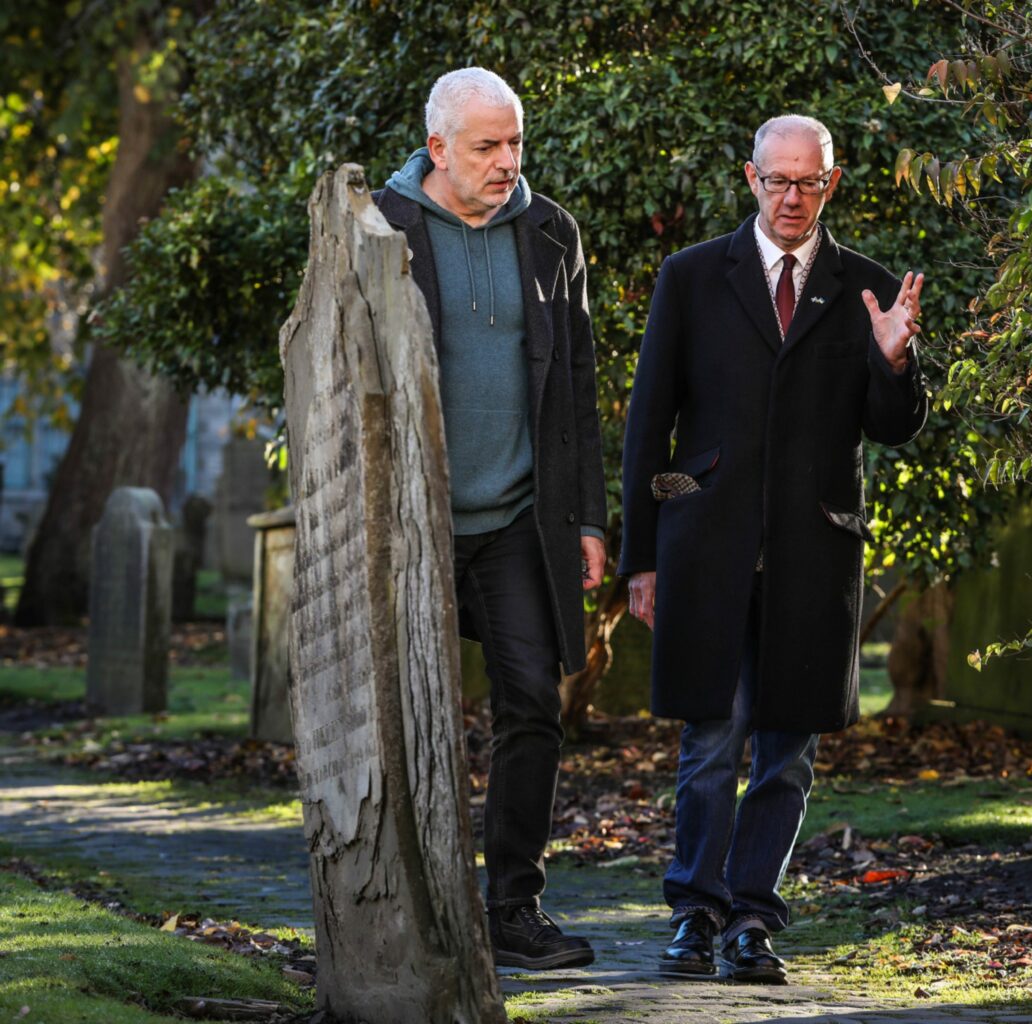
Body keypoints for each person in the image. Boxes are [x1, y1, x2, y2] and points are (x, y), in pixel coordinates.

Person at [618, 114, 928, 984]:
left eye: (810, 182)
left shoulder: (866, 287)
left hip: (813, 553)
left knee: (788, 749)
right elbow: (651, 427)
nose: (792, 198)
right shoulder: (689, 278)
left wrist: (894, 363)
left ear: (833, 183)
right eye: (776, 180)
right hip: (705, 548)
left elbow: (891, 429)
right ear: (749, 178)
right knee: (711, 741)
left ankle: (754, 919)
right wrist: (644, 556)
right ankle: (695, 913)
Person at [373, 67, 607, 970]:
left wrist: (587, 517)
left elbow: (577, 384)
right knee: (407, 711)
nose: (508, 161)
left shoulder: (551, 233)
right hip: (412, 520)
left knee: (532, 704)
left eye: (515, 143)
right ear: (438, 150)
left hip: (517, 517)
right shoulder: (380, 228)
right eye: (487, 146)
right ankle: (407, 909)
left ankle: (513, 909)